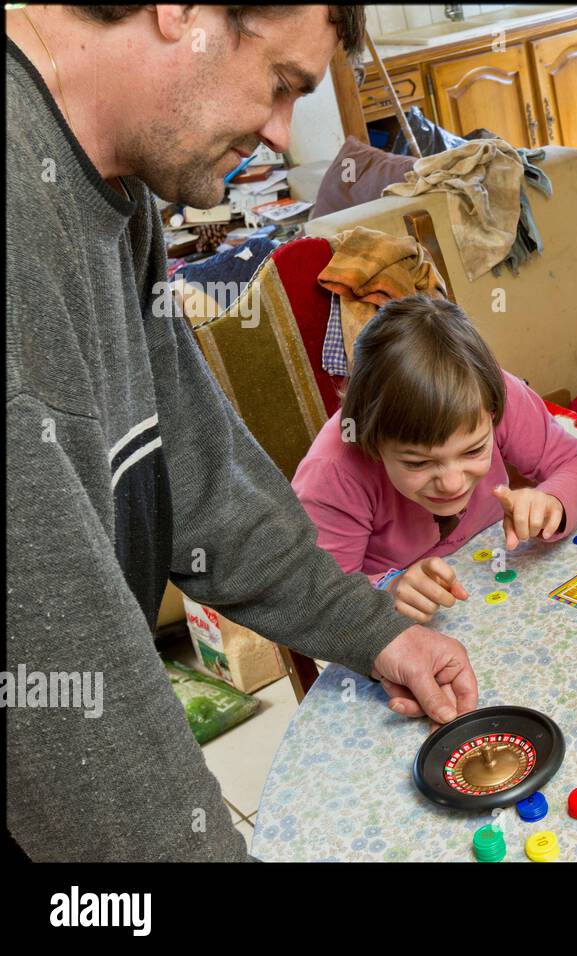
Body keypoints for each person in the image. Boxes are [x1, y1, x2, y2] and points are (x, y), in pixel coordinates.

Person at [6, 5, 477, 862]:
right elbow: (57, 686)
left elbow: (202, 482)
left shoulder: (123, 188)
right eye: (279, 85)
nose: (277, 131)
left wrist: (375, 630)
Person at [292, 294, 577, 624]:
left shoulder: (485, 393)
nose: (452, 483)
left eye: (473, 451)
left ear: (493, 413)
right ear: (372, 442)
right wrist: (388, 589)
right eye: (417, 463)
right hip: (398, 635)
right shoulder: (333, 470)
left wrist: (551, 499)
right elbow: (316, 600)